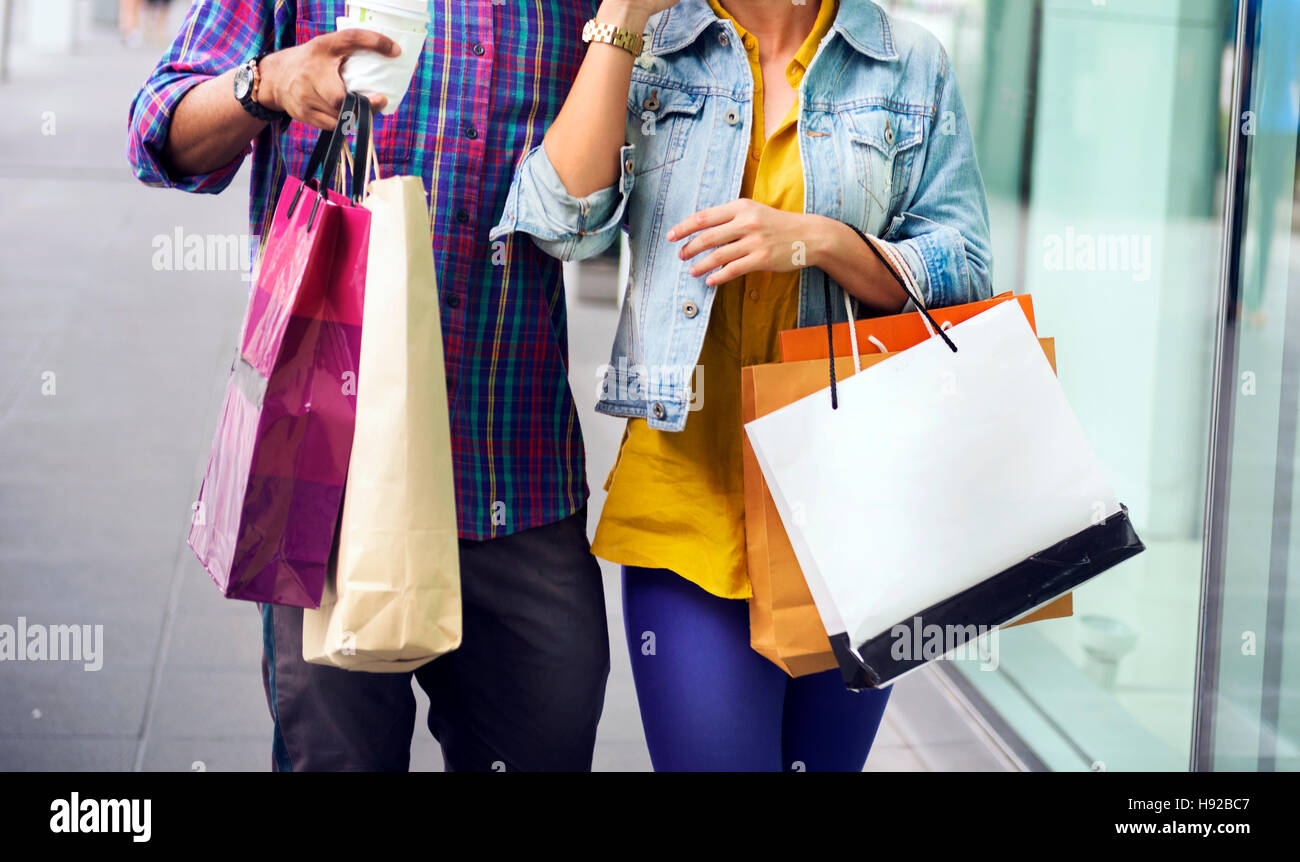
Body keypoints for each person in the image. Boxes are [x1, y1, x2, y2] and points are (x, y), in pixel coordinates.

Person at [492, 0, 993, 770]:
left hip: (857, 512)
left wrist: (819, 242)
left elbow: (963, 269)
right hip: (691, 500)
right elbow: (562, 222)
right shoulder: (655, 51)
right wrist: (621, 18)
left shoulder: (907, 62)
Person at [126, 1, 611, 772]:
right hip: (326, 482)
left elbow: (601, 205)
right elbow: (157, 129)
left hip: (516, 476)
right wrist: (268, 81)